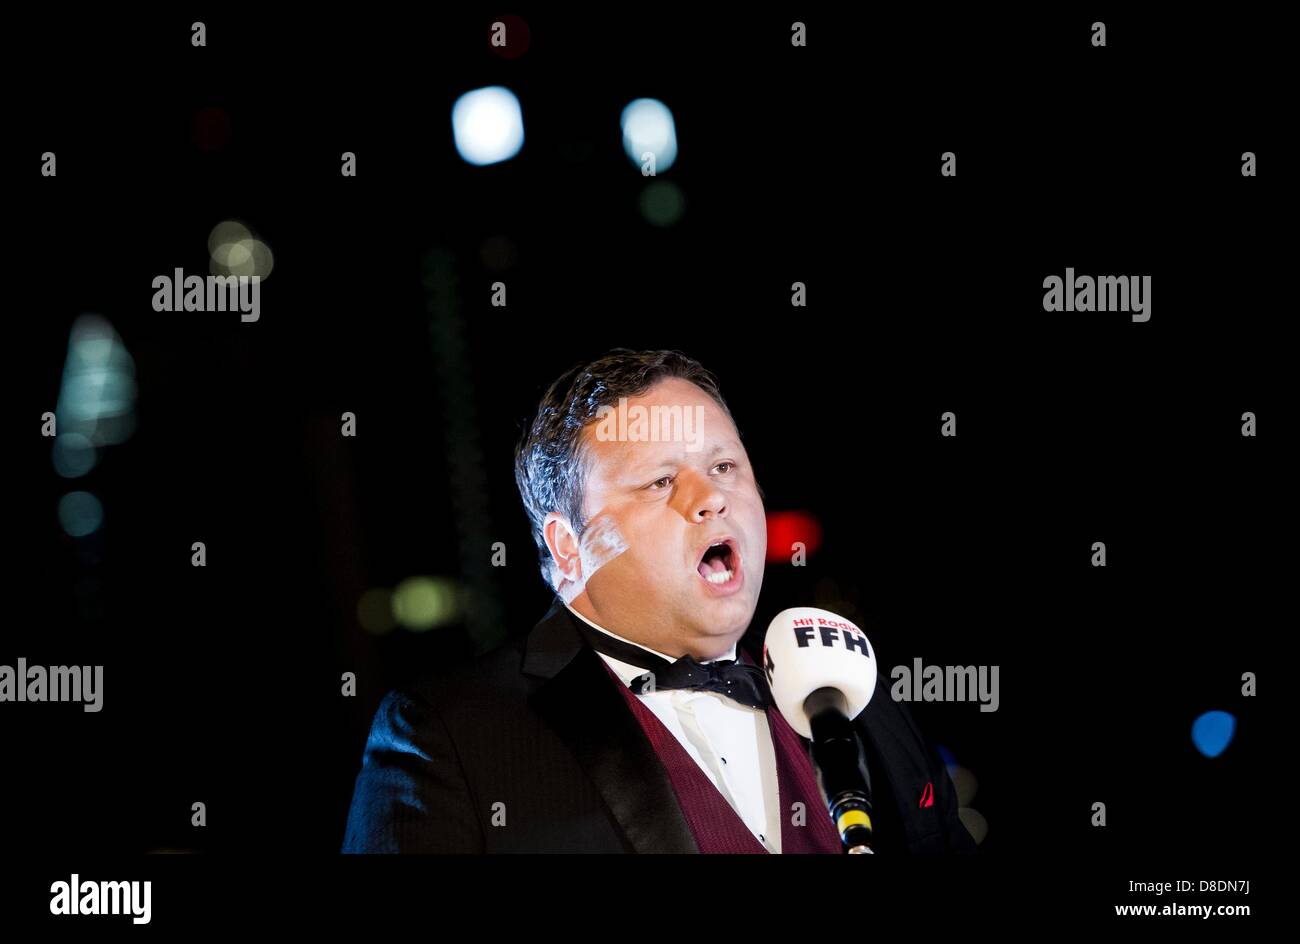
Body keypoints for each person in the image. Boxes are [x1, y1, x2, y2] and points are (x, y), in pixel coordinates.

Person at [342, 349, 975, 853]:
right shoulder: (452, 736)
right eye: (661, 480)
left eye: (724, 467)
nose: (712, 497)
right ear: (568, 547)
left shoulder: (852, 694)